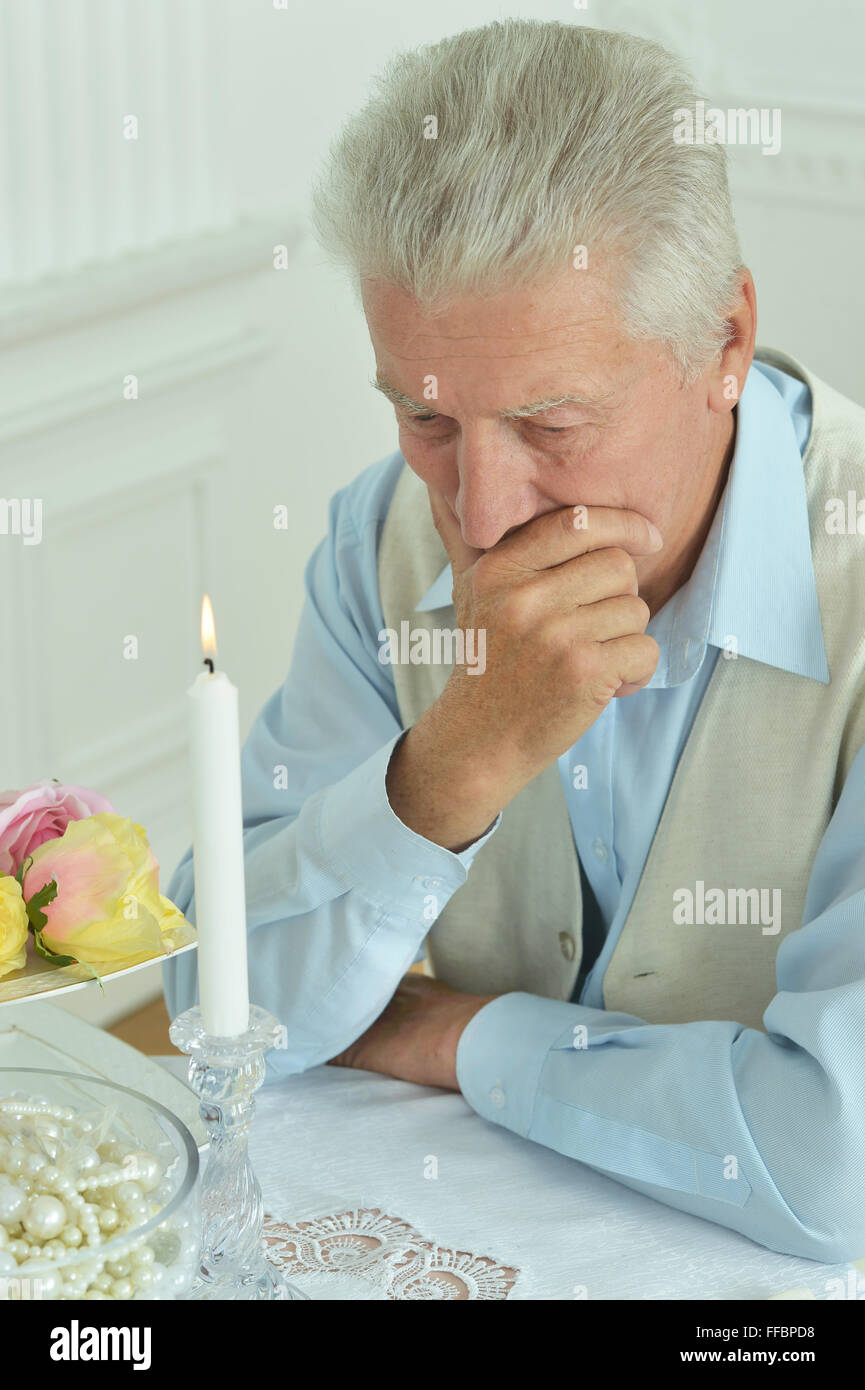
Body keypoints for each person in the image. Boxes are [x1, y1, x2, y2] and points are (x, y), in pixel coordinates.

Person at [164, 20, 865, 1264]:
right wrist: (441, 781)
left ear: (726, 344)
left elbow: (833, 1166)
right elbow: (216, 1005)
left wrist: (453, 1033)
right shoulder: (376, 542)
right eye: (426, 416)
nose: (478, 516)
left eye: (550, 422)